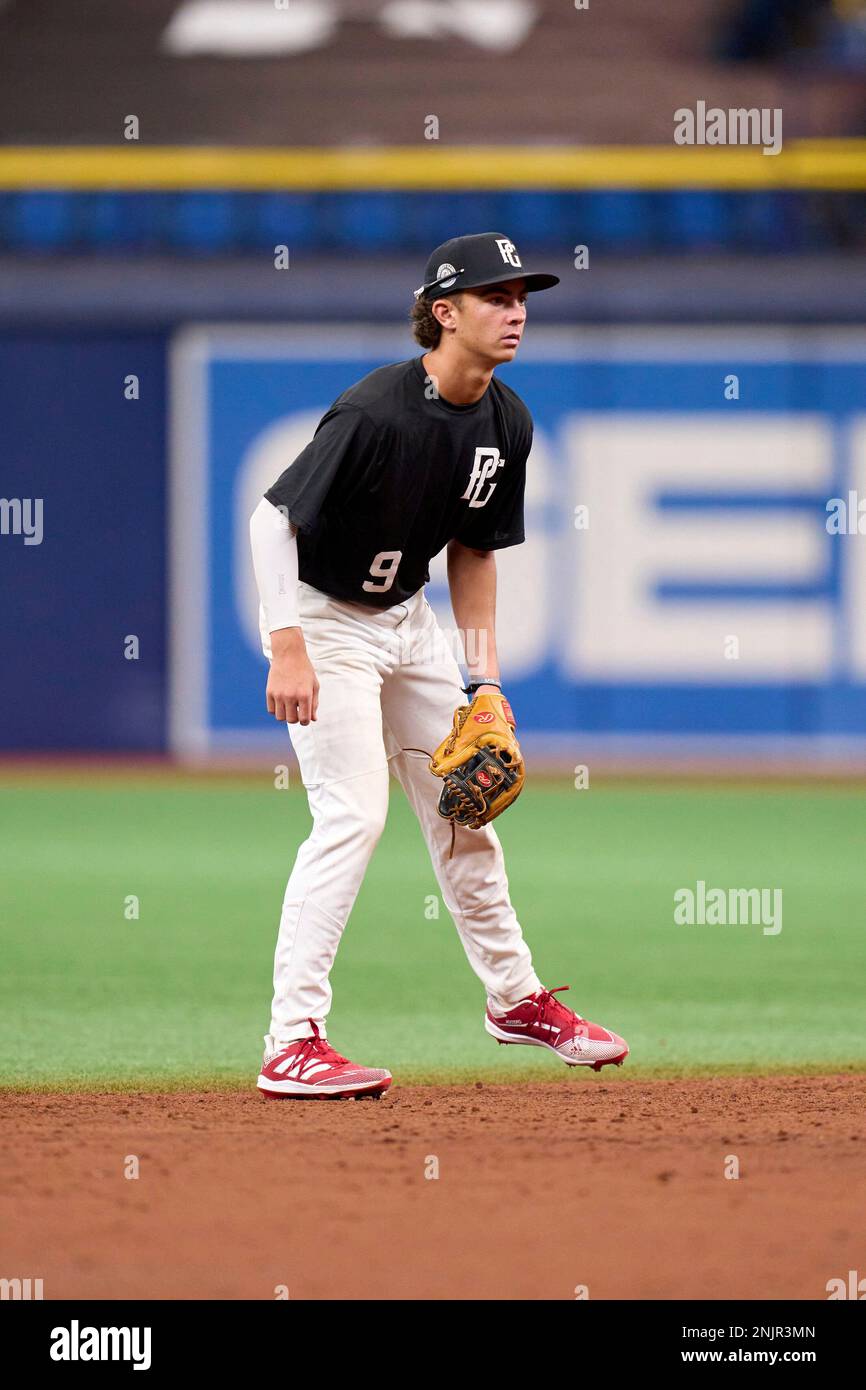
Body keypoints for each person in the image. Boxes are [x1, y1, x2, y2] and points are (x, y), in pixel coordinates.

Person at [248, 232, 629, 1099]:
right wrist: (287, 643)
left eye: (523, 295)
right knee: (352, 818)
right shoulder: (376, 410)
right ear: (444, 313)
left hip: (406, 620)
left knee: (468, 805)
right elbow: (272, 522)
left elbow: (475, 551)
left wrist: (483, 682)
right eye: (497, 296)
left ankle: (516, 999)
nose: (517, 310)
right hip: (326, 620)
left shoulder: (507, 420)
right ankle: (291, 1038)